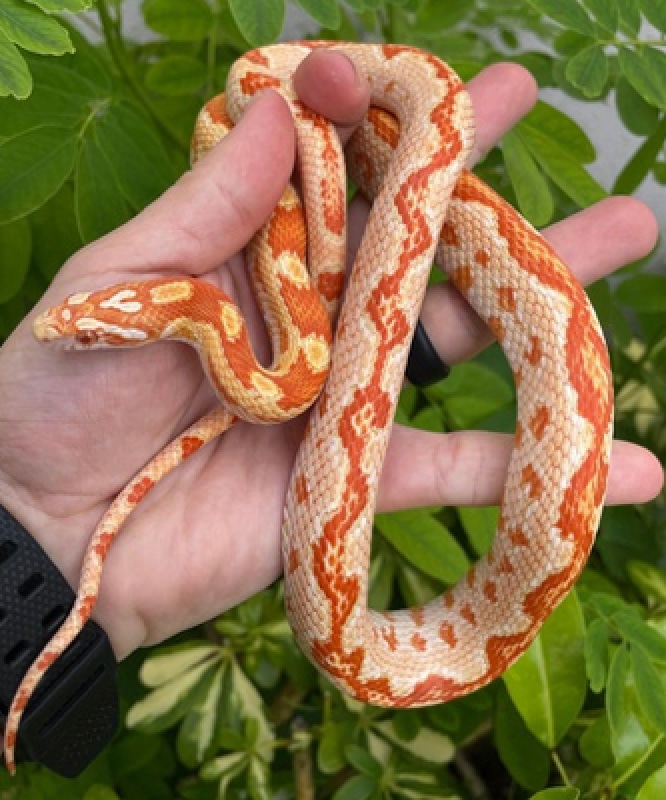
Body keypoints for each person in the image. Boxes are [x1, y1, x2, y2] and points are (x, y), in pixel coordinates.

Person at [0, 49, 662, 677]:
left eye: (90, 329)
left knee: (323, 114)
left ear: (149, 314)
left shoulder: (207, 313)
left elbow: (255, 97)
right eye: (90, 334)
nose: (66, 333)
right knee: (306, 120)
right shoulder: (210, 327)